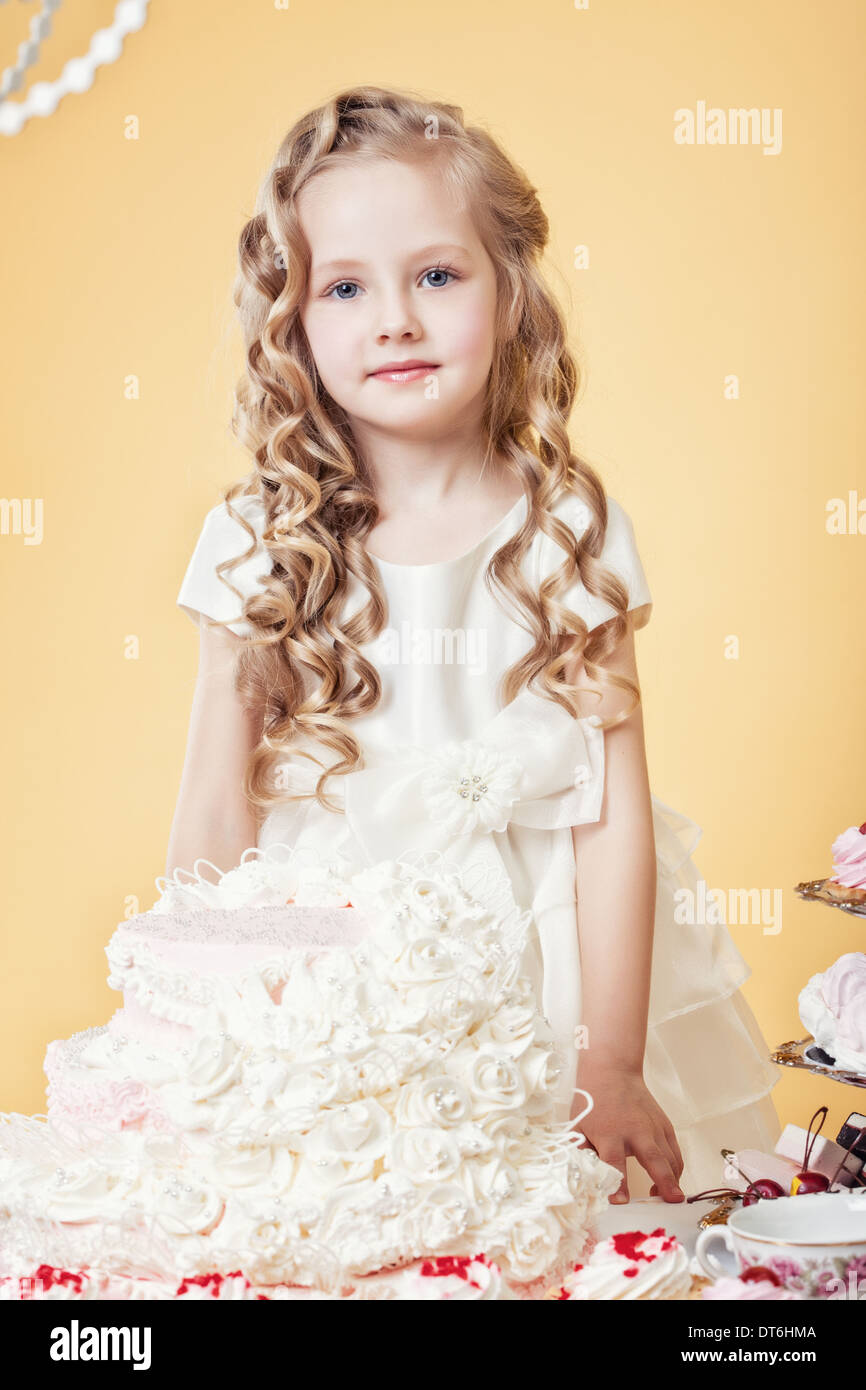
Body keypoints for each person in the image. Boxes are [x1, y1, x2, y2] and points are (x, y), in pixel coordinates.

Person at [167, 84, 781, 1206]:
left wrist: (607, 1056)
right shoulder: (261, 540)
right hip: (331, 969)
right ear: (293, 318)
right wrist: (195, 1007)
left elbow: (609, 814)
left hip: (549, 965)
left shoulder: (566, 534)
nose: (393, 318)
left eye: (435, 276)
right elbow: (216, 804)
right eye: (344, 287)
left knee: (568, 1231)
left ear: (508, 298)